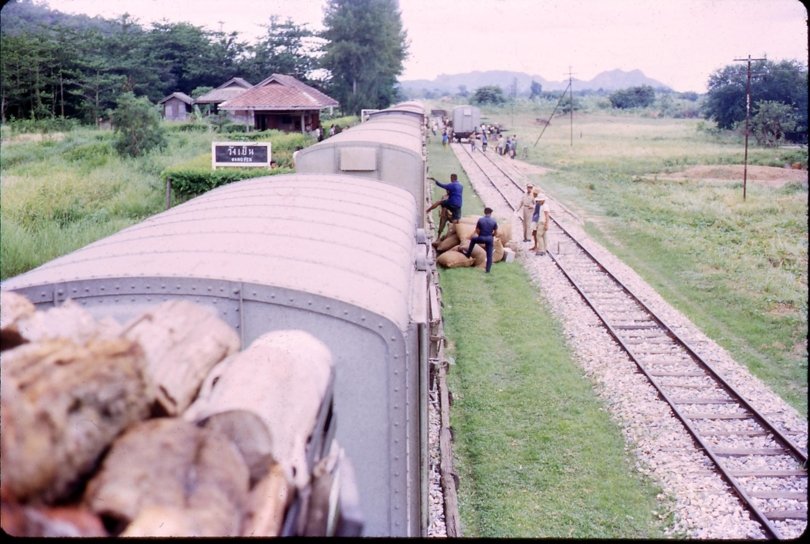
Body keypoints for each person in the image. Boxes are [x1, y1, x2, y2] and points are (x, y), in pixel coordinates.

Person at [464, 207, 498, 273]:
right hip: (489, 239)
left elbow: (477, 230)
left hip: (481, 237)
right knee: (489, 255)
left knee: (473, 240)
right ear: (491, 213)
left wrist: (480, 235)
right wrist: (491, 236)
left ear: (484, 212)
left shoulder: (480, 220)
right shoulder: (494, 221)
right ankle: (488, 270)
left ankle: (468, 254)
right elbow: (496, 232)